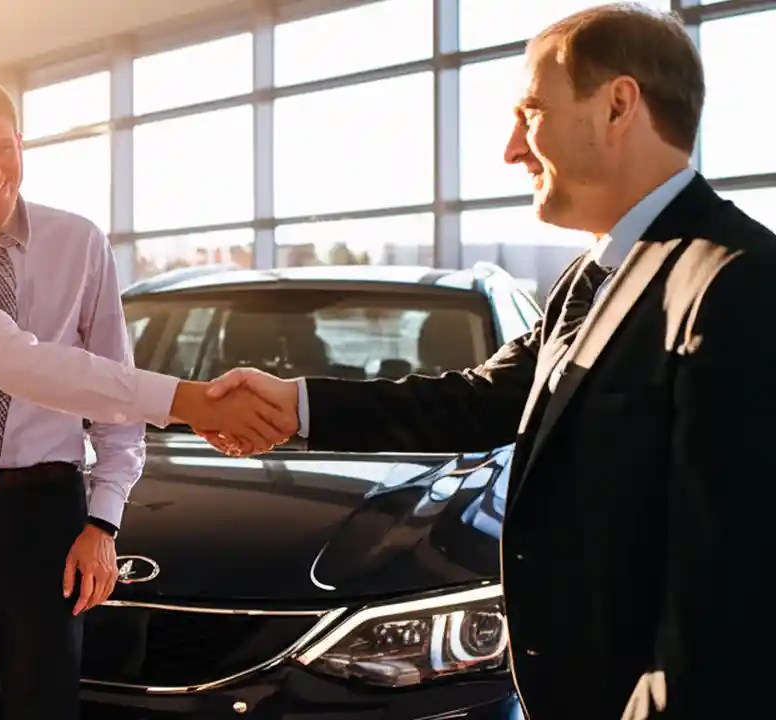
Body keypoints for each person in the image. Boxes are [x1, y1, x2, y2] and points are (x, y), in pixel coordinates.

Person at [202, 5, 775, 720]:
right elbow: (480, 398)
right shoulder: (592, 277)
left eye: (531, 111)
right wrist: (298, 404)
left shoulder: (736, 284)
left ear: (617, 106)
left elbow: (727, 603)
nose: (512, 149)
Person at [0, 78, 293, 720]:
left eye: (3, 148)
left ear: (20, 143)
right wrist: (191, 400)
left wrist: (104, 519)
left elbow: (110, 382)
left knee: (44, 702)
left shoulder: (79, 243)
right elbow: (16, 361)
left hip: (45, 510)